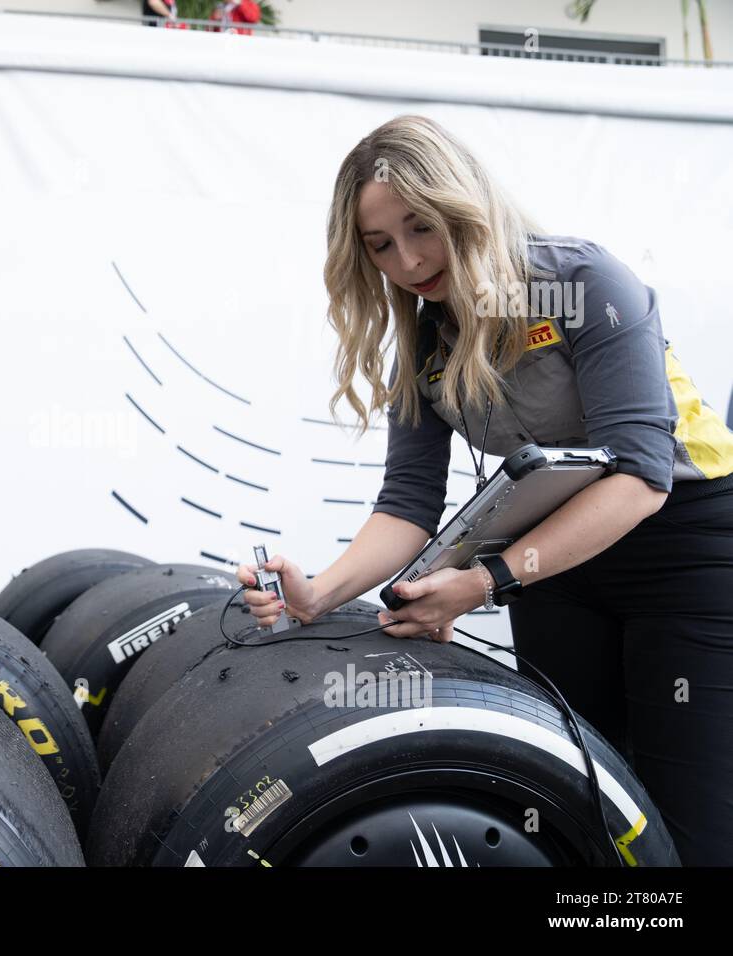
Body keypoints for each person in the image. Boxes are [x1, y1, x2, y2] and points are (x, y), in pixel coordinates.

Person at [236, 114, 733, 865]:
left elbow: (640, 476)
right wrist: (320, 595)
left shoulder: (582, 280)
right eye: (380, 245)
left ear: (462, 206)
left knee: (690, 827)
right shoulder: (423, 341)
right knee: (580, 800)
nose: (407, 260)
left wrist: (486, 580)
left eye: (420, 227)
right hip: (556, 563)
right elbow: (407, 502)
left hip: (685, 545)